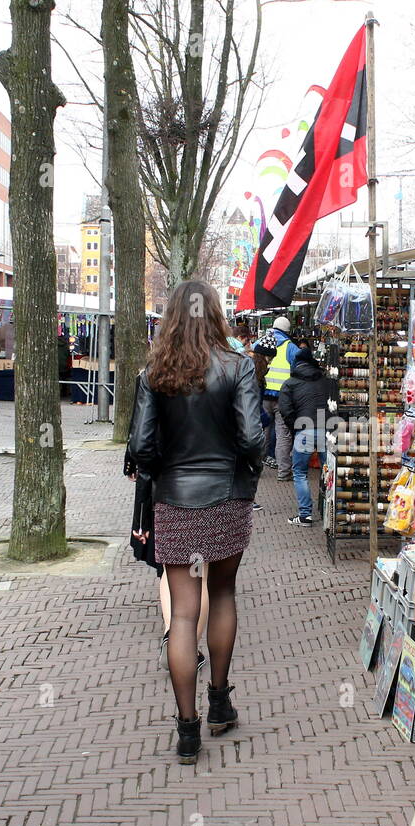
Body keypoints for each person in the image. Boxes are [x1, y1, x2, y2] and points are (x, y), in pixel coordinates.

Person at [130, 280, 264, 765]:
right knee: (224, 594)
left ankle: (187, 731)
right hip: (227, 495)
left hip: (176, 500)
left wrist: (167, 472)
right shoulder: (238, 367)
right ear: (214, 316)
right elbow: (252, 438)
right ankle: (220, 702)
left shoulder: (154, 373)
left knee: (183, 615)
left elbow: (142, 448)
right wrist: (249, 466)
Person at [278, 345, 336, 526]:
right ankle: (333, 513)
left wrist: (296, 427)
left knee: (300, 472)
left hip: (305, 429)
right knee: (329, 471)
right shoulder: (325, 380)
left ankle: (305, 515)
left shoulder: (290, 383)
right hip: (326, 429)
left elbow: (285, 410)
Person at [253, 316, 296, 480]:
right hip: (283, 398)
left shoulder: (259, 342)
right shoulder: (290, 347)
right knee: (282, 434)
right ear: (287, 331)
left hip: (263, 395)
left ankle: (257, 466)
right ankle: (284, 472)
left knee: (262, 431)